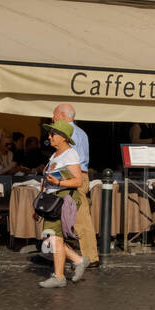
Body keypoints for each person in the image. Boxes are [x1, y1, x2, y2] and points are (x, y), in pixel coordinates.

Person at [37, 120, 91, 287]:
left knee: (54, 237)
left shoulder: (70, 154)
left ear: (63, 137)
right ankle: (78, 260)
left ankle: (59, 277)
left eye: (53, 134)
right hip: (52, 199)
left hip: (62, 199)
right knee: (52, 237)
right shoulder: (55, 155)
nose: (49, 137)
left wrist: (58, 182)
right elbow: (48, 179)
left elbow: (78, 181)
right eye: (50, 134)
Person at [52, 104, 89, 172]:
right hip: (80, 172)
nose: (52, 119)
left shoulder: (65, 133)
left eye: (54, 115)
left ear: (63, 115)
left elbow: (68, 160)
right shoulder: (82, 132)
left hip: (71, 173)